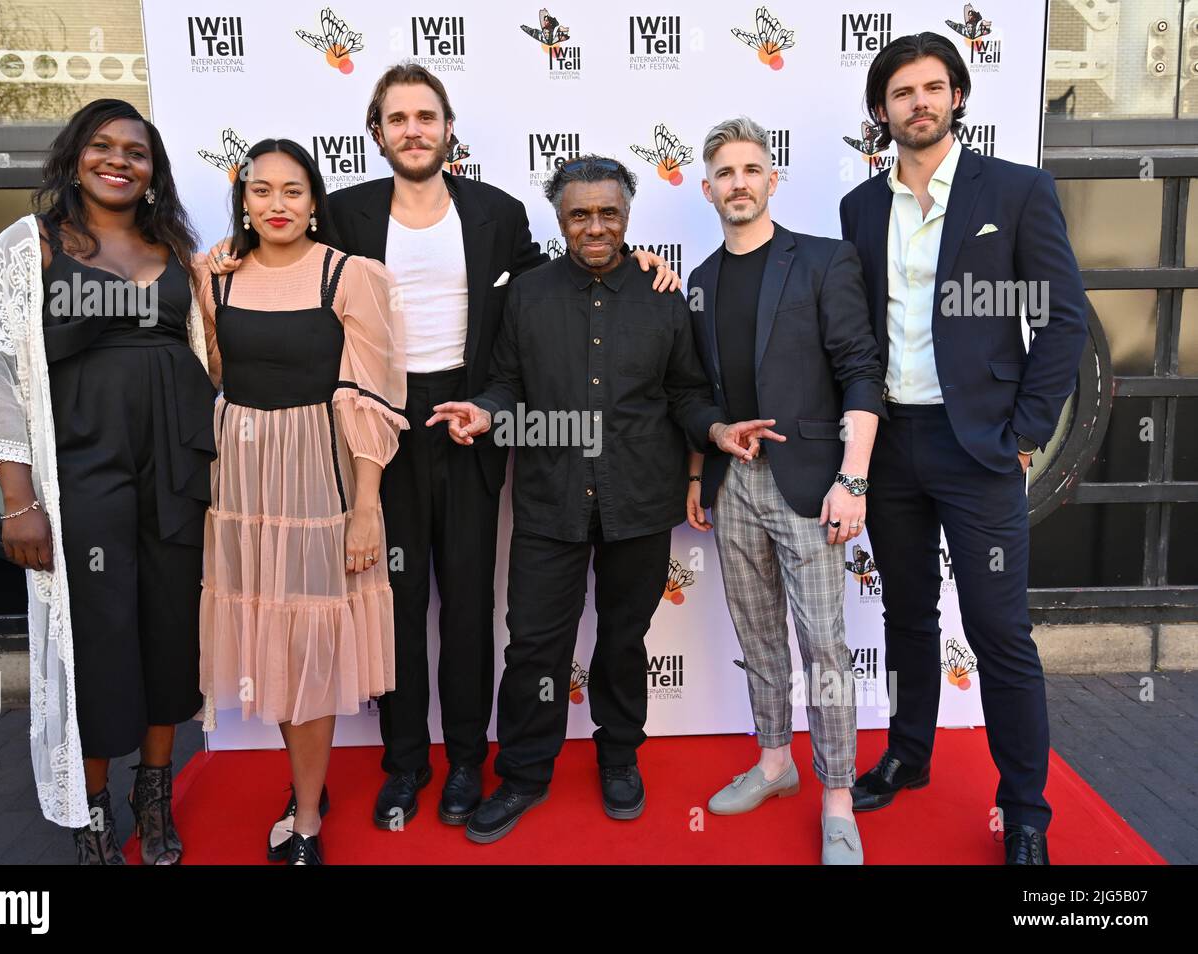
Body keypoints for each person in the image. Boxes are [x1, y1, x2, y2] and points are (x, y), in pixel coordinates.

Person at [207, 63, 679, 830]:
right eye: (398, 119)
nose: (414, 130)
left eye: (427, 116)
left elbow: (567, 278)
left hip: (469, 416)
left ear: (448, 127)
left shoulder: (495, 211)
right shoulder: (347, 213)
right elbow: (282, 250)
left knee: (466, 604)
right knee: (393, 602)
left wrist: (642, 261)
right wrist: (229, 255)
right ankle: (404, 766)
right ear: (378, 132)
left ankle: (465, 760)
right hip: (373, 424)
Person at [427, 156, 777, 844]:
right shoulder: (526, 295)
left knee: (623, 639)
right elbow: (506, 382)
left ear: (627, 214)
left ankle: (620, 757)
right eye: (580, 214)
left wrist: (714, 427)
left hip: (640, 500)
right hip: (549, 502)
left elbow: (685, 391)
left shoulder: (662, 293)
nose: (595, 226)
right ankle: (525, 774)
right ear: (560, 218)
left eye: (608, 212)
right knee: (534, 646)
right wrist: (486, 412)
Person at [839, 33, 1088, 864]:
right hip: (891, 444)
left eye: (934, 87)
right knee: (907, 617)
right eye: (903, 91)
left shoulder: (1016, 191)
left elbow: (1061, 321)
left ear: (957, 98)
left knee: (999, 631)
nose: (920, 102)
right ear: (882, 110)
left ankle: (1025, 810)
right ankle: (909, 754)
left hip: (978, 449)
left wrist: (1023, 435)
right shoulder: (861, 209)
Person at [0, 99, 216, 864]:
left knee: (172, 635)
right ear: (75, 158)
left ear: (153, 172)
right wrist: (19, 501)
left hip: (176, 474)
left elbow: (206, 359)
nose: (119, 161)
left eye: (136, 152)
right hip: (80, 478)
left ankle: (155, 792)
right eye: (103, 147)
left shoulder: (173, 245)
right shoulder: (30, 246)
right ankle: (92, 805)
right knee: (98, 642)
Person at [195, 138, 406, 865]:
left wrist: (367, 505)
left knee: (308, 641)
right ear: (243, 201)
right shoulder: (211, 276)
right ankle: (302, 785)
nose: (276, 205)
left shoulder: (350, 276)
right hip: (240, 480)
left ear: (315, 201)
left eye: (292, 191)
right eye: (260, 191)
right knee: (266, 635)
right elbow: (212, 371)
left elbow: (372, 399)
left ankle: (309, 815)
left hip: (318, 474)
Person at [685, 117, 885, 864]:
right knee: (760, 639)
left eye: (750, 168)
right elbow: (693, 393)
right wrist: (707, 459)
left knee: (826, 648)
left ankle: (838, 797)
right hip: (736, 485)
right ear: (707, 189)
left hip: (811, 485)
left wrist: (852, 477)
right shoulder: (700, 283)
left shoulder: (825, 262)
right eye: (724, 173)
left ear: (772, 179)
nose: (738, 182)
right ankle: (775, 763)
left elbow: (861, 370)